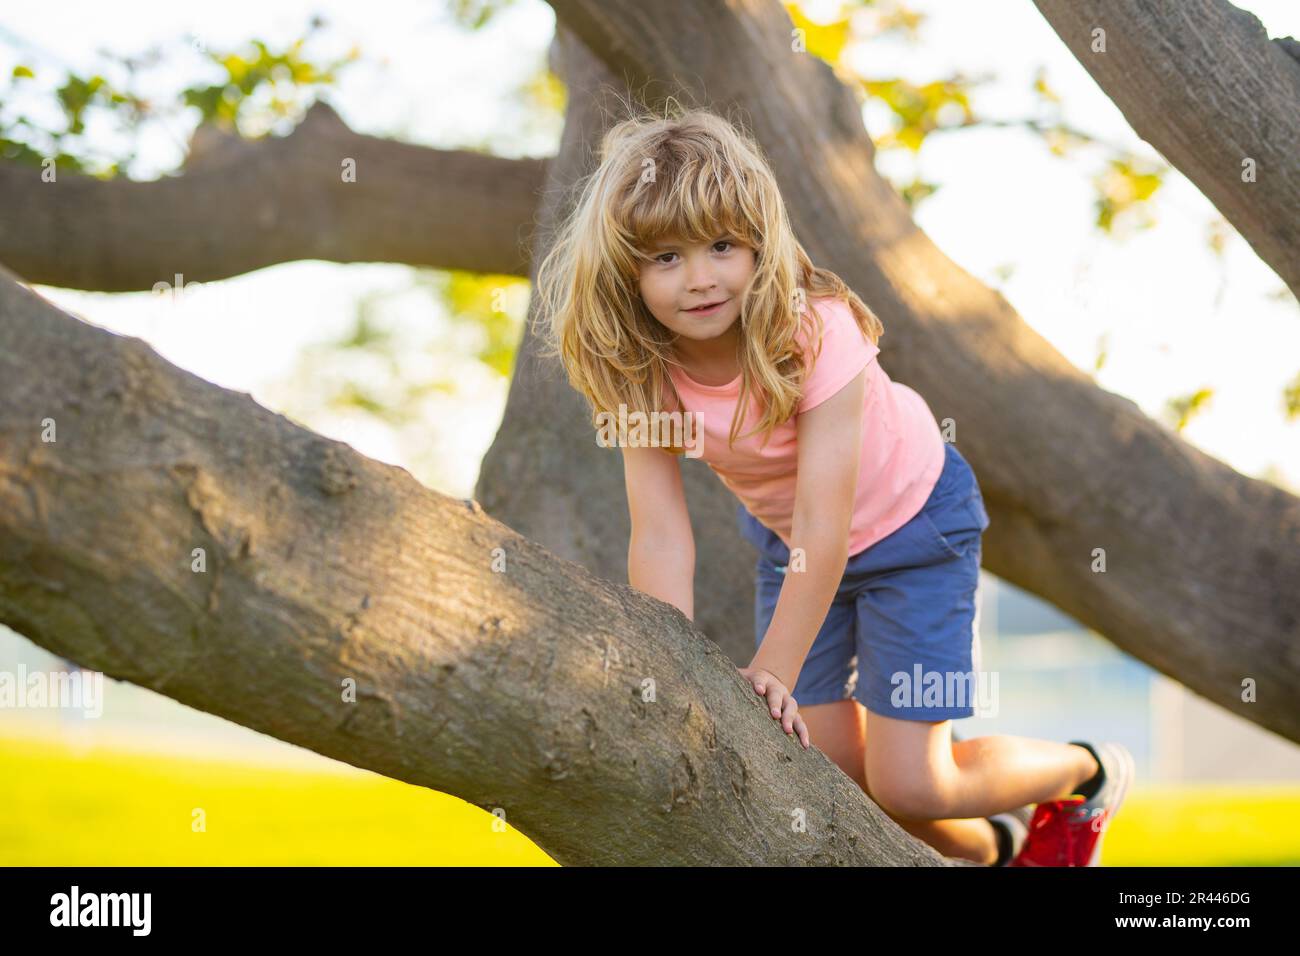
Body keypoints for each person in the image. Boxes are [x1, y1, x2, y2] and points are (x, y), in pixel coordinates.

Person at [534, 103, 1132, 866]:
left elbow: (829, 522)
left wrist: (773, 668)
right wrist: (670, 659)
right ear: (627, 269)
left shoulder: (812, 331)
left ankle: (1089, 772)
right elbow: (658, 530)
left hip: (915, 530)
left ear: (757, 241)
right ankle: (998, 850)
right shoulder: (646, 374)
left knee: (914, 783)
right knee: (835, 770)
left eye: (722, 245)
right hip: (797, 548)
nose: (702, 278)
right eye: (666, 257)